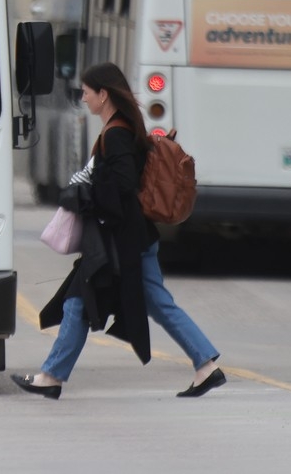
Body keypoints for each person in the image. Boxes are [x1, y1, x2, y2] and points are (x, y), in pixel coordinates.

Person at [12, 62, 226, 399]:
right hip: (134, 238)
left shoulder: (116, 134)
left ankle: (51, 376)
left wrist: (86, 195)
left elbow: (123, 185)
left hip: (119, 242)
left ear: (103, 94)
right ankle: (206, 366)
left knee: (77, 303)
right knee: (153, 302)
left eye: (86, 92)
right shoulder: (124, 128)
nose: (83, 98)